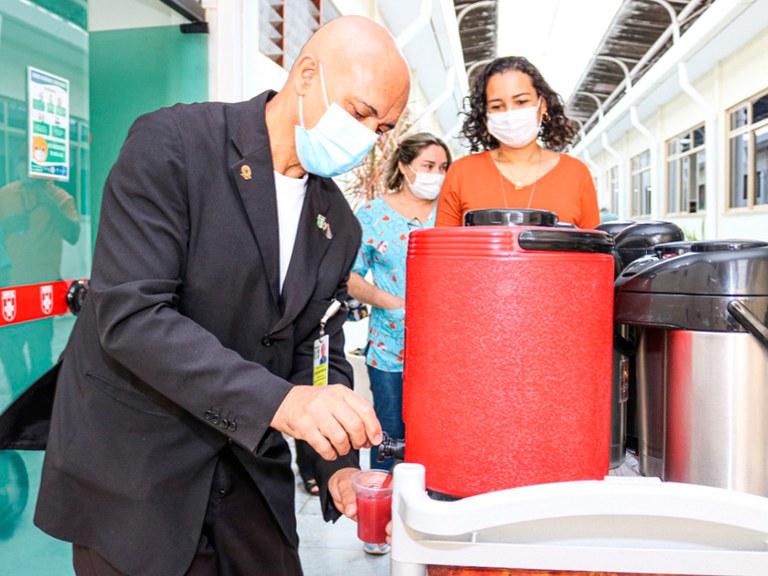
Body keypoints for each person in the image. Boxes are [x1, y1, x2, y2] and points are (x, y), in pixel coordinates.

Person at [33, 15, 410, 576]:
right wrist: (282, 403)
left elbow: (316, 351)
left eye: (382, 128)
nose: (367, 138)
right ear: (307, 75)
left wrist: (335, 465)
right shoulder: (175, 147)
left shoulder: (337, 223)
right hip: (137, 472)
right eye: (359, 113)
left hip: (250, 475)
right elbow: (134, 315)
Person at [348, 132, 451, 554]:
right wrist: (390, 302)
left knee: (437, 439)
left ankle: (434, 522)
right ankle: (381, 526)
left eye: (443, 168)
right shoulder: (372, 215)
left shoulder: (451, 216)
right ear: (405, 166)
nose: (437, 176)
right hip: (390, 348)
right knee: (390, 438)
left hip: (447, 351)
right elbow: (351, 277)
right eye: (428, 166)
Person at [436, 56, 600, 229]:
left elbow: (594, 251)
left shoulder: (575, 173)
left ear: (542, 105)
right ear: (485, 114)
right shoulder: (461, 173)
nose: (510, 114)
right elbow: (443, 248)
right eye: (497, 106)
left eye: (521, 102)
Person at [0, 157, 80, 396]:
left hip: (40, 292)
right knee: (9, 353)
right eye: (21, 162)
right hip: (8, 289)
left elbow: (73, 234)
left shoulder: (61, 199)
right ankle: (19, 402)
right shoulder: (5, 195)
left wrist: (50, 206)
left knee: (40, 354)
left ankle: (37, 408)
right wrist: (7, 226)